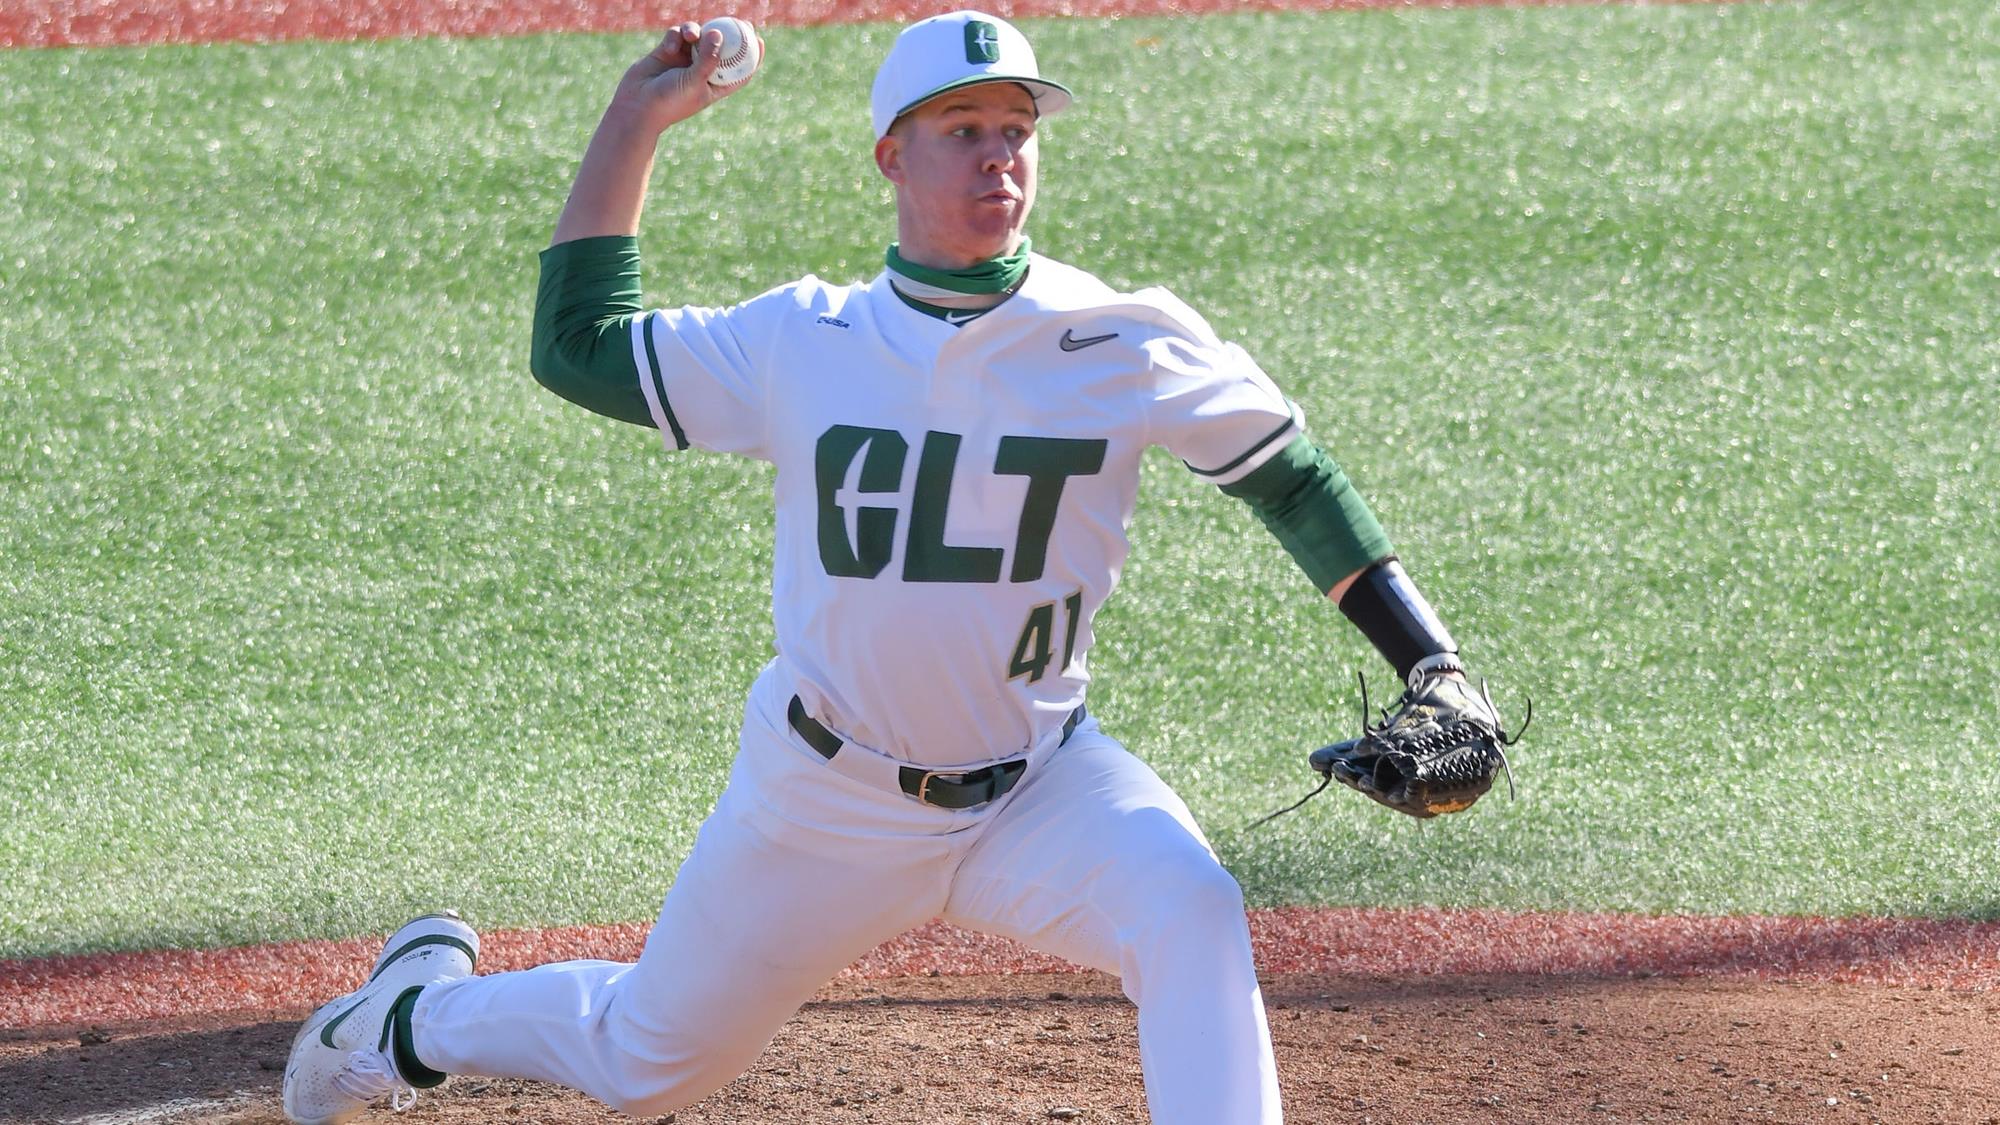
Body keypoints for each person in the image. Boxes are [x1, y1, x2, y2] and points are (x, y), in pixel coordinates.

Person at [282, 12, 1486, 1124]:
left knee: (1190, 910)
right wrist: (634, 119)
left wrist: (1429, 658)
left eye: (1015, 133)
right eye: (962, 131)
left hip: (1043, 787)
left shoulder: (1122, 338)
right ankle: (402, 1019)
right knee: (647, 1060)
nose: (997, 158)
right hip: (824, 801)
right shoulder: (800, 339)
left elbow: (1289, 477)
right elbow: (577, 348)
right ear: (890, 160)